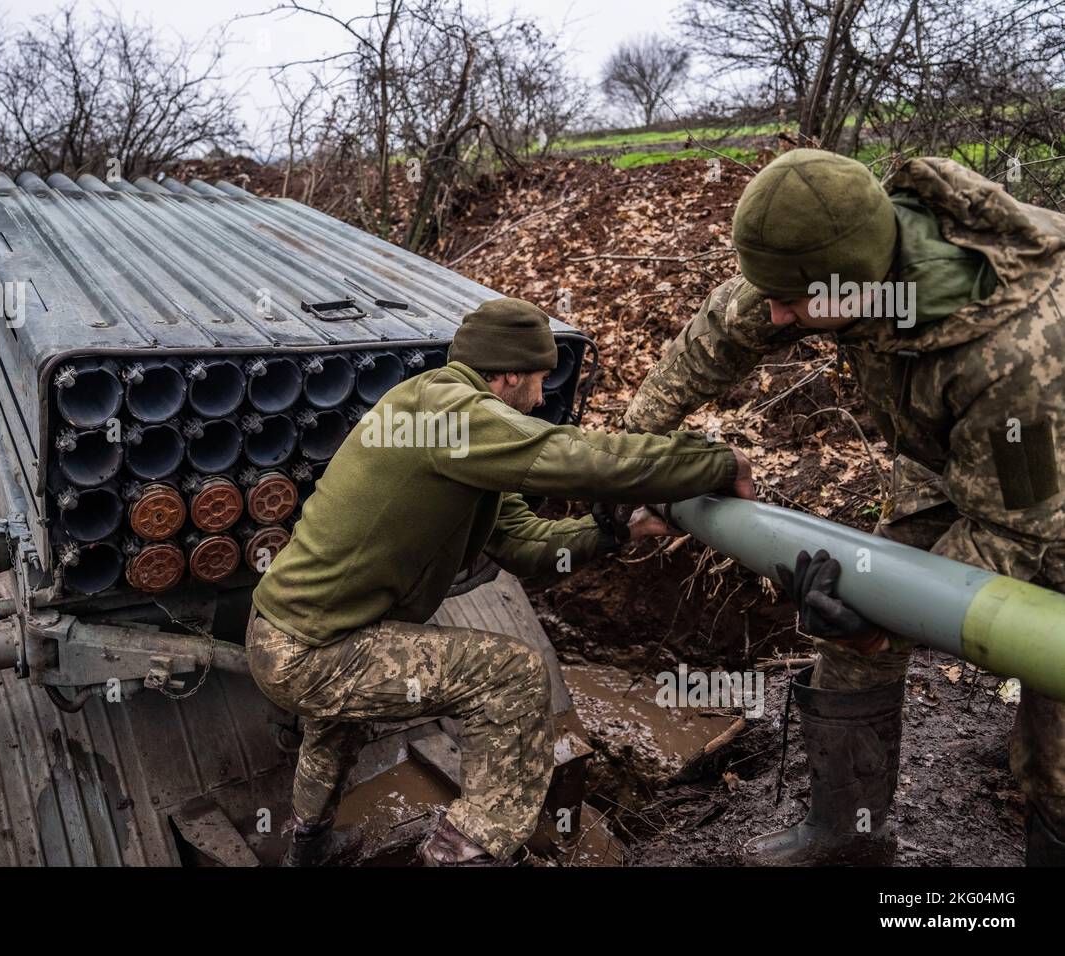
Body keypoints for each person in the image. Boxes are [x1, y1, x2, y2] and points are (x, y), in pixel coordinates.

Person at [623, 148, 1065, 865]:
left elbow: (1021, 537)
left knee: (1055, 731)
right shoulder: (833, 259)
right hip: (955, 459)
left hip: (1046, 486)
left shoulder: (1019, 353)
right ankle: (848, 836)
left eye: (792, 302)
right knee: (849, 608)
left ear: (853, 283)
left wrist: (882, 624)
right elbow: (718, 333)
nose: (775, 314)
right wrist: (630, 459)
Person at [247, 296, 754, 866]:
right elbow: (570, 454)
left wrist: (613, 530)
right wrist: (714, 461)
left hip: (295, 631)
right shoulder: (445, 411)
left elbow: (525, 545)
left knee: (338, 727)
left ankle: (310, 850)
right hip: (308, 648)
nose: (540, 398)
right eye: (538, 381)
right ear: (509, 373)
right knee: (513, 674)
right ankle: (467, 850)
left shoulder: (456, 428)